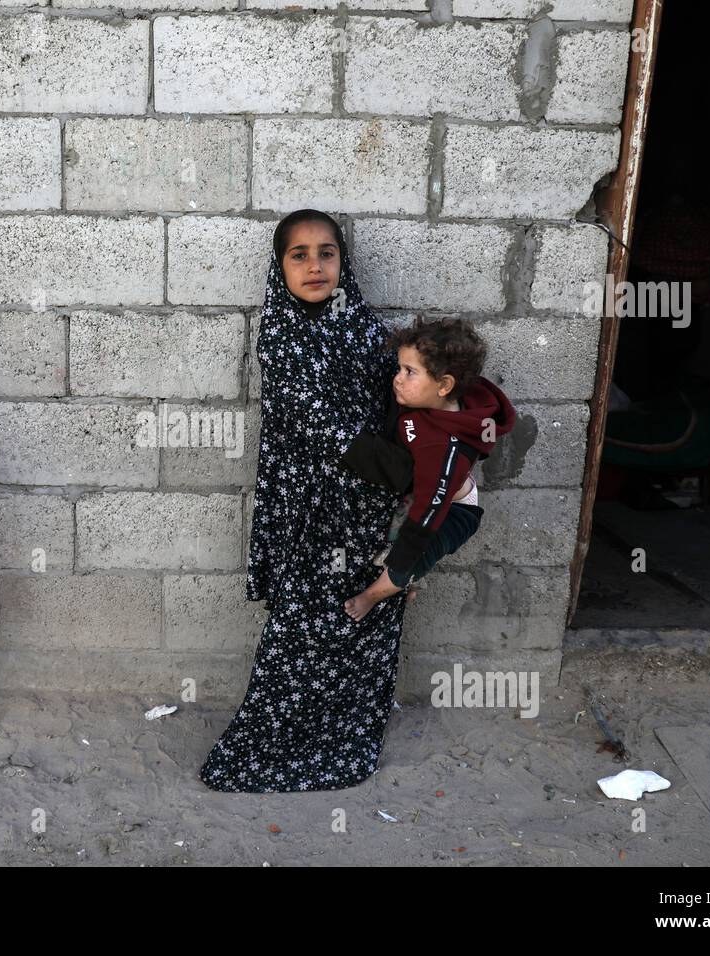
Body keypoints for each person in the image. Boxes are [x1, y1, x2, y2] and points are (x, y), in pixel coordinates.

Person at [197, 209, 417, 793]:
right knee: (303, 628)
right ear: (281, 265)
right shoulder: (282, 334)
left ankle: (342, 737)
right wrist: (408, 470)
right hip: (309, 512)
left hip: (367, 508)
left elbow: (402, 400)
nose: (315, 265)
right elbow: (324, 429)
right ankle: (270, 748)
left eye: (327, 253)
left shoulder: (367, 328)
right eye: (299, 254)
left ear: (343, 261)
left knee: (365, 619)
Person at [341, 318, 516, 621]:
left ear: (444, 385)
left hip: (452, 511)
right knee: (398, 536)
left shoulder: (443, 450)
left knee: (407, 556)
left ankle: (375, 594)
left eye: (409, 372)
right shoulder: (426, 398)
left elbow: (427, 513)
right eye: (399, 368)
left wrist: (405, 561)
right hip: (432, 491)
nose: (397, 378)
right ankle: (410, 577)